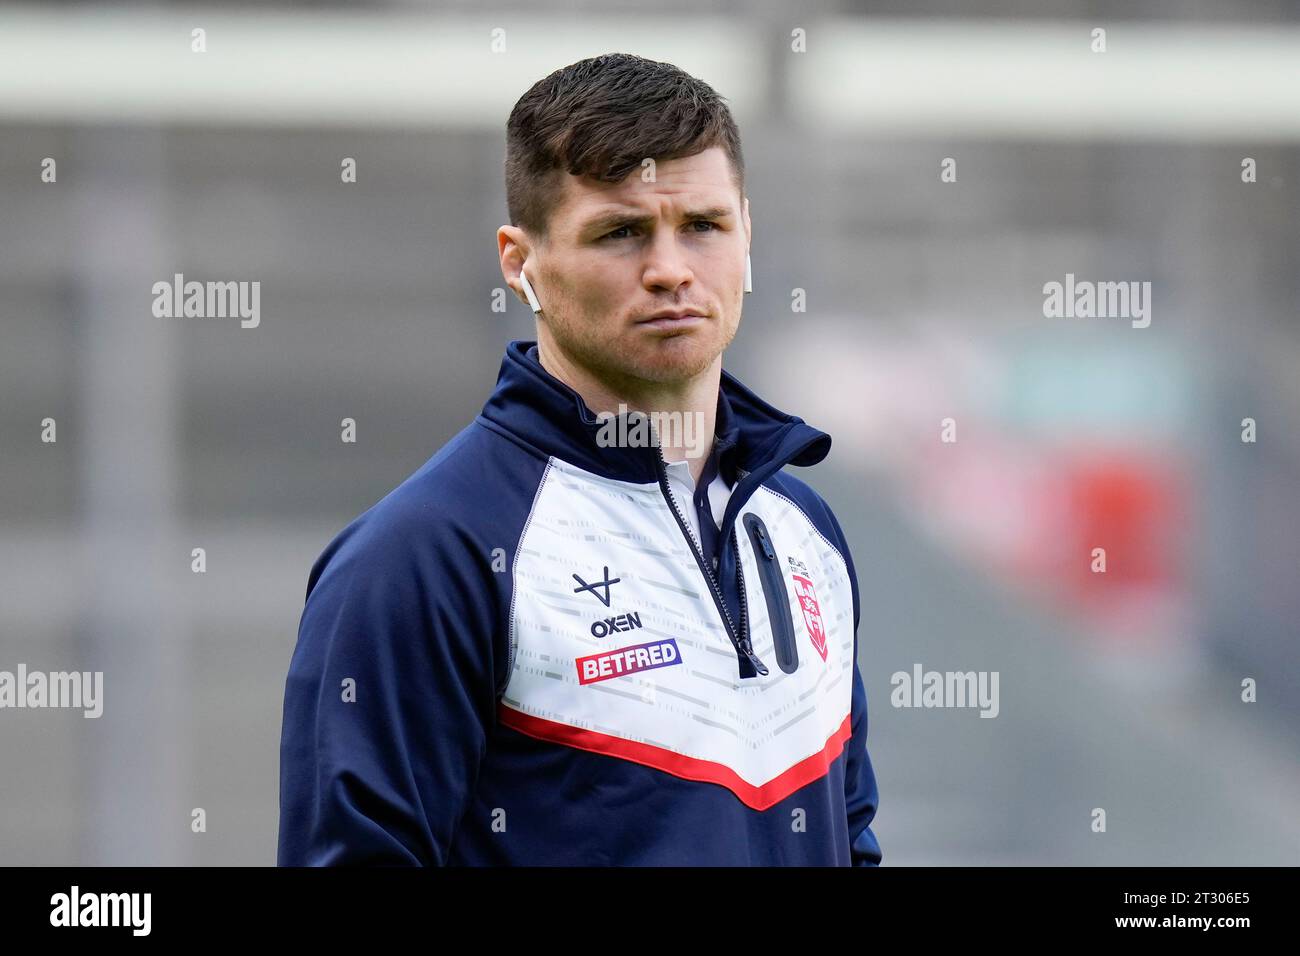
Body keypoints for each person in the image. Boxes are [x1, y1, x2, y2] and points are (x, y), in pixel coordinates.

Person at [277, 52, 881, 866]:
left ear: (748, 236)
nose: (670, 270)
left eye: (703, 226)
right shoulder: (423, 556)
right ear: (520, 262)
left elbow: (851, 837)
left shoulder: (805, 530)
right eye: (621, 232)